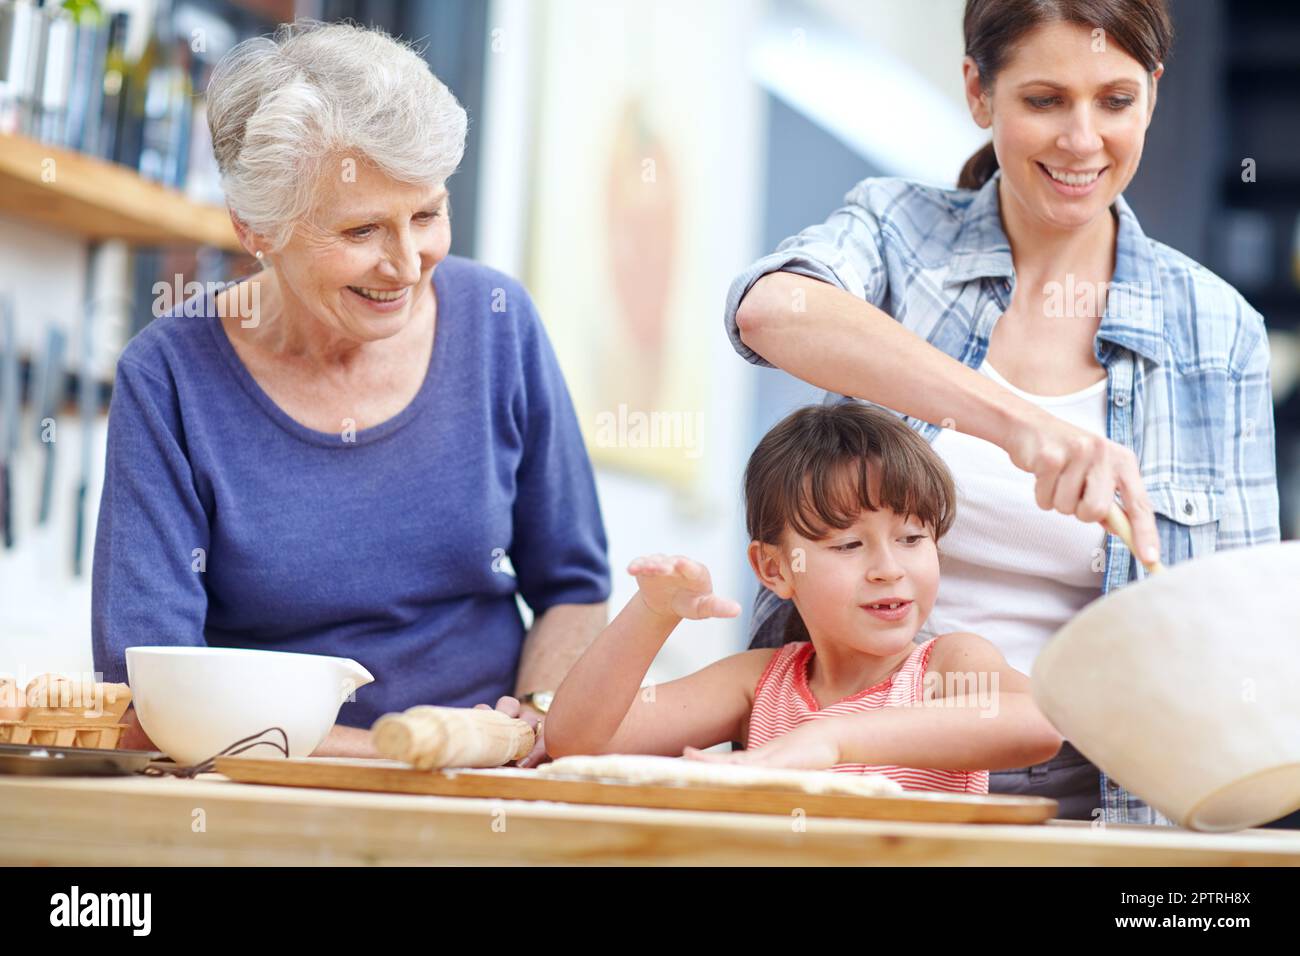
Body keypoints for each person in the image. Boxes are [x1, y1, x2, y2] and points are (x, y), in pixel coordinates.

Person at [724, 0, 1278, 822]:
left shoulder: (1218, 329)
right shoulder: (897, 233)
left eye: (1115, 101)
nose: (1082, 140)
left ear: (1153, 95)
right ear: (980, 94)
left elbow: (1238, 642)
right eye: (1044, 100)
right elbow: (769, 312)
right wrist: (1020, 425)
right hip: (858, 788)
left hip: (1097, 813)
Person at [91, 21, 610, 764]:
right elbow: (155, 686)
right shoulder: (169, 378)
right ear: (256, 228)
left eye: (427, 215)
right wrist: (400, 756)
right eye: (364, 228)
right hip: (268, 794)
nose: (406, 264)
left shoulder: (499, 324)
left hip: (489, 783)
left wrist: (534, 714)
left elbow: (575, 585)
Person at [545, 402, 1063, 791]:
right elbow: (580, 740)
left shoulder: (947, 666)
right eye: (849, 545)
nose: (888, 569)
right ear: (775, 568)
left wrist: (830, 739)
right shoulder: (758, 683)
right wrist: (653, 612)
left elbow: (1042, 722)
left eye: (912, 538)